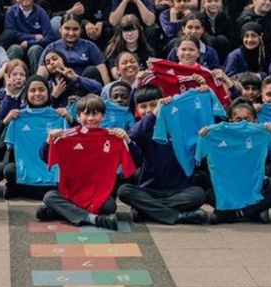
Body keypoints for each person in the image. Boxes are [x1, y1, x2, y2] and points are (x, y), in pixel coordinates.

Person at [37, 93, 136, 230]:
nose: (90, 118)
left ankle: (59, 212)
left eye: (95, 114)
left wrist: (128, 140)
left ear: (103, 116)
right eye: (86, 114)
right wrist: (49, 141)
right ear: (78, 116)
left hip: (99, 195)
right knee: (49, 197)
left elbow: (135, 162)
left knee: (110, 206)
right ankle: (93, 219)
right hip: (71, 193)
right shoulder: (67, 136)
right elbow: (45, 158)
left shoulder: (114, 137)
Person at [116, 84, 211, 225]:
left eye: (153, 105)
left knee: (199, 194)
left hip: (179, 191)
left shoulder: (180, 123)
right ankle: (177, 216)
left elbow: (204, 120)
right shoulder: (143, 128)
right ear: (136, 109)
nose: (148, 110)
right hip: (149, 190)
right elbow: (134, 134)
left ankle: (146, 210)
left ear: (163, 103)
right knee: (124, 191)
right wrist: (155, 113)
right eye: (143, 106)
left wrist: (204, 93)